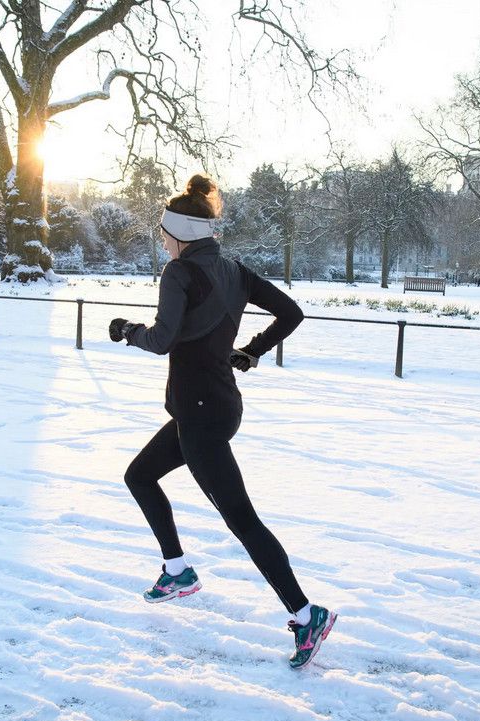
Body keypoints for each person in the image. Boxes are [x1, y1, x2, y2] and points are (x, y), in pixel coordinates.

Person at [108, 174, 335, 670]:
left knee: (241, 519)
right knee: (139, 476)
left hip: (201, 417)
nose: (162, 240)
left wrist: (127, 330)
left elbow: (162, 339)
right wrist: (251, 351)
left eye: (164, 233)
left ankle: (306, 615)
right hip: (215, 406)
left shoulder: (179, 273)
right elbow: (291, 313)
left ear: (181, 234)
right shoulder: (234, 270)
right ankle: (177, 570)